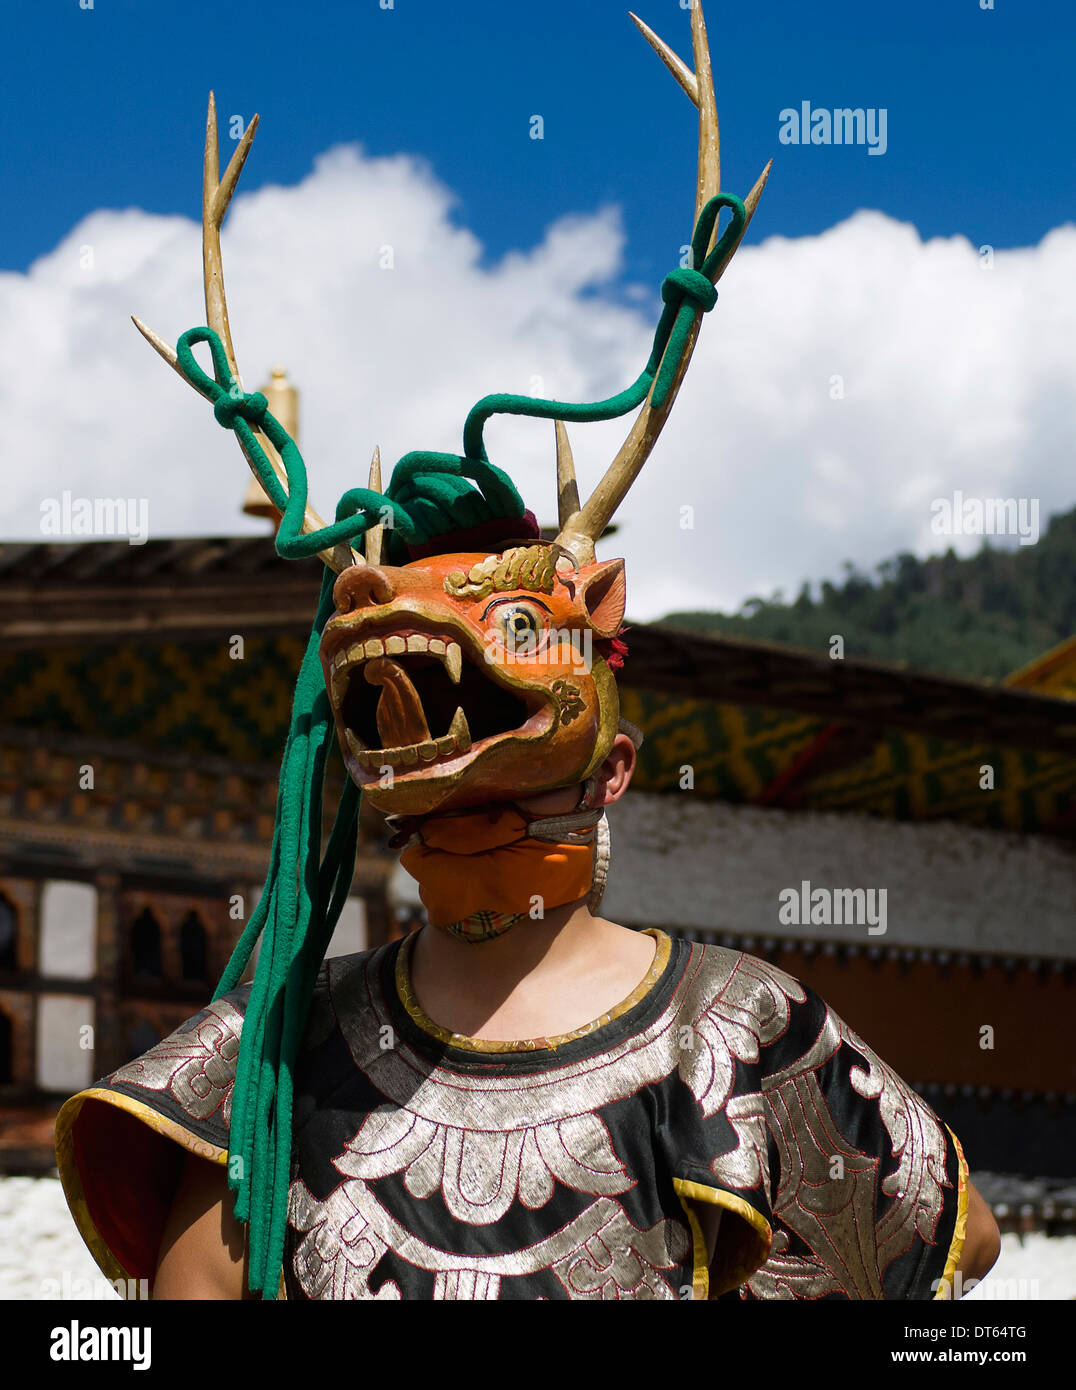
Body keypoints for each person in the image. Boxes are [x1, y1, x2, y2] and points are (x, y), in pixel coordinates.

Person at [55, 3, 999, 1301]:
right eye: (390, 681)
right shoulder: (271, 1055)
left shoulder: (735, 1028)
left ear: (614, 762)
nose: (428, 702)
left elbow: (957, 1239)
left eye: (495, 649)